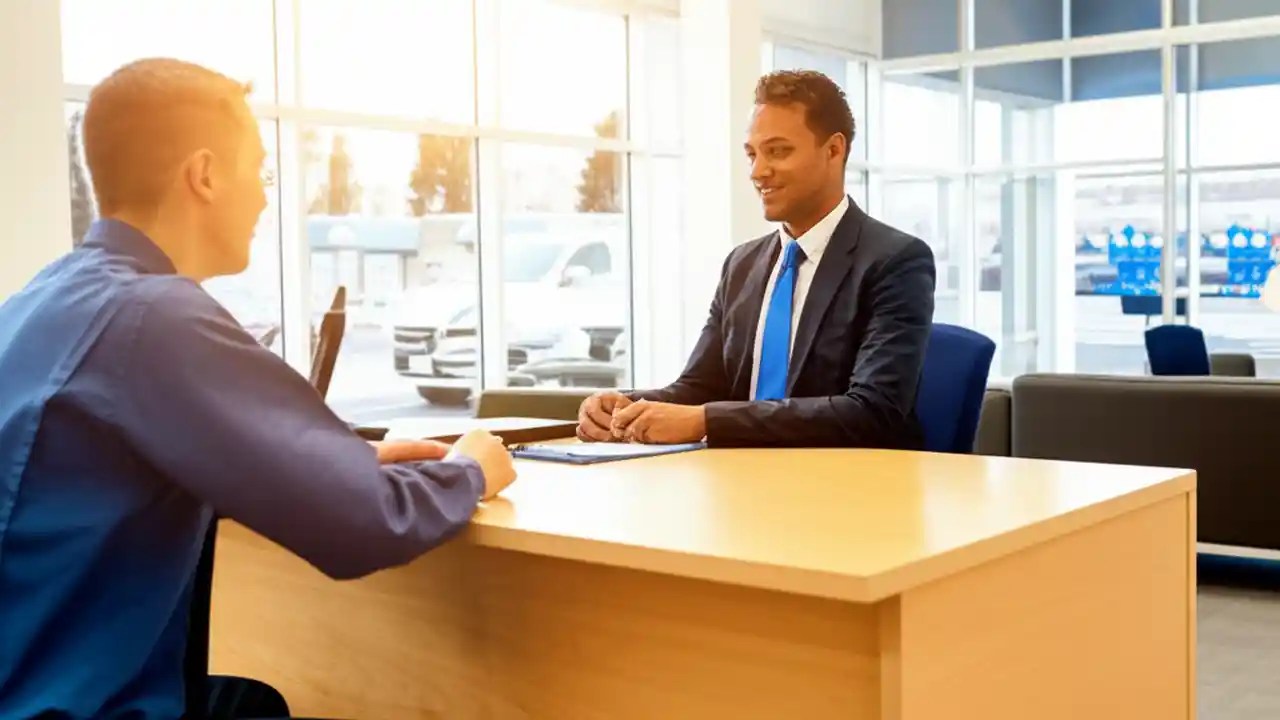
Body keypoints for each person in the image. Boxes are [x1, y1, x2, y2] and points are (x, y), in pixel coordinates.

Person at [0, 59, 516, 719]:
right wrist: (469, 469)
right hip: (72, 705)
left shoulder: (43, 299)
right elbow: (365, 522)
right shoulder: (152, 316)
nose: (266, 198)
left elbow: (87, 476)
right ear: (205, 174)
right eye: (260, 171)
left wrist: (323, 464)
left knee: (255, 701)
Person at [578, 70, 936, 449]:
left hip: (843, 488)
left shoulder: (895, 261)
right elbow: (700, 386)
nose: (758, 171)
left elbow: (871, 411)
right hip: (739, 480)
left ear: (834, 150)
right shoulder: (742, 265)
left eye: (778, 151)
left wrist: (706, 421)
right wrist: (628, 407)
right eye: (752, 154)